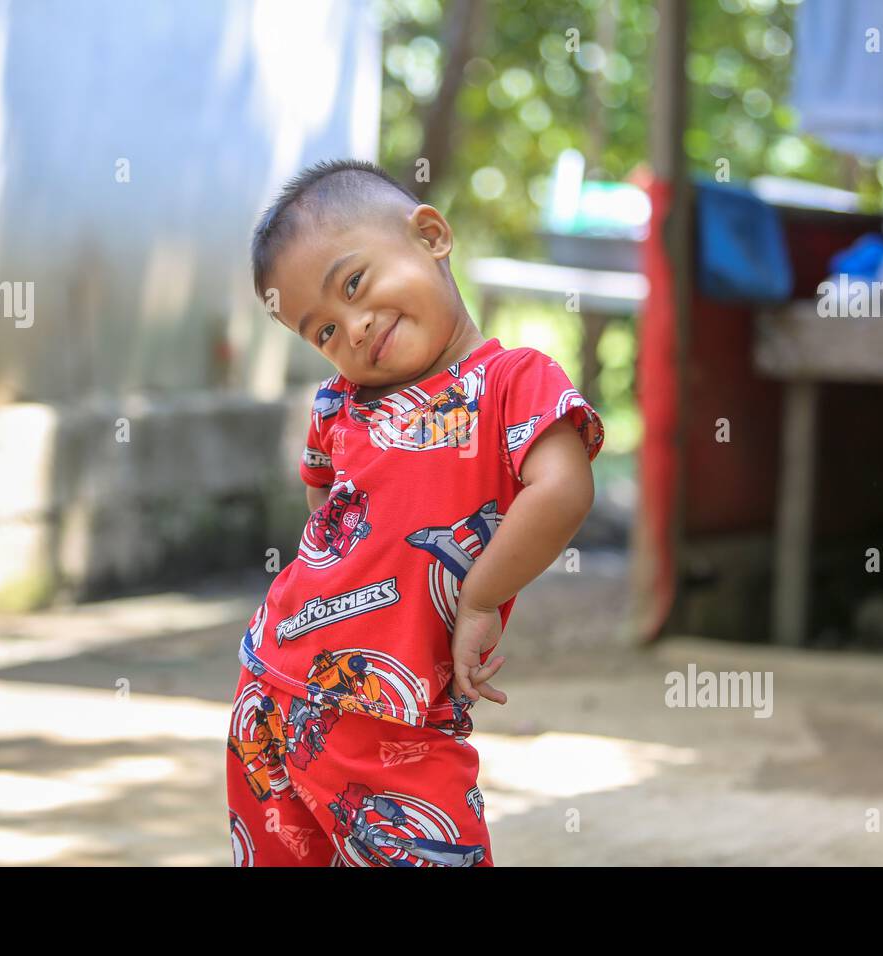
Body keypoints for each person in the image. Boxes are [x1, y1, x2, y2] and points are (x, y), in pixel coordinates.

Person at [226, 158, 604, 867]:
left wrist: (483, 595)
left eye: (354, 284)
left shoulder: (511, 381)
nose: (354, 328)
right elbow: (328, 513)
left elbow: (562, 488)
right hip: (268, 696)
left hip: (395, 722)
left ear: (430, 236)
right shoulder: (340, 400)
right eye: (325, 331)